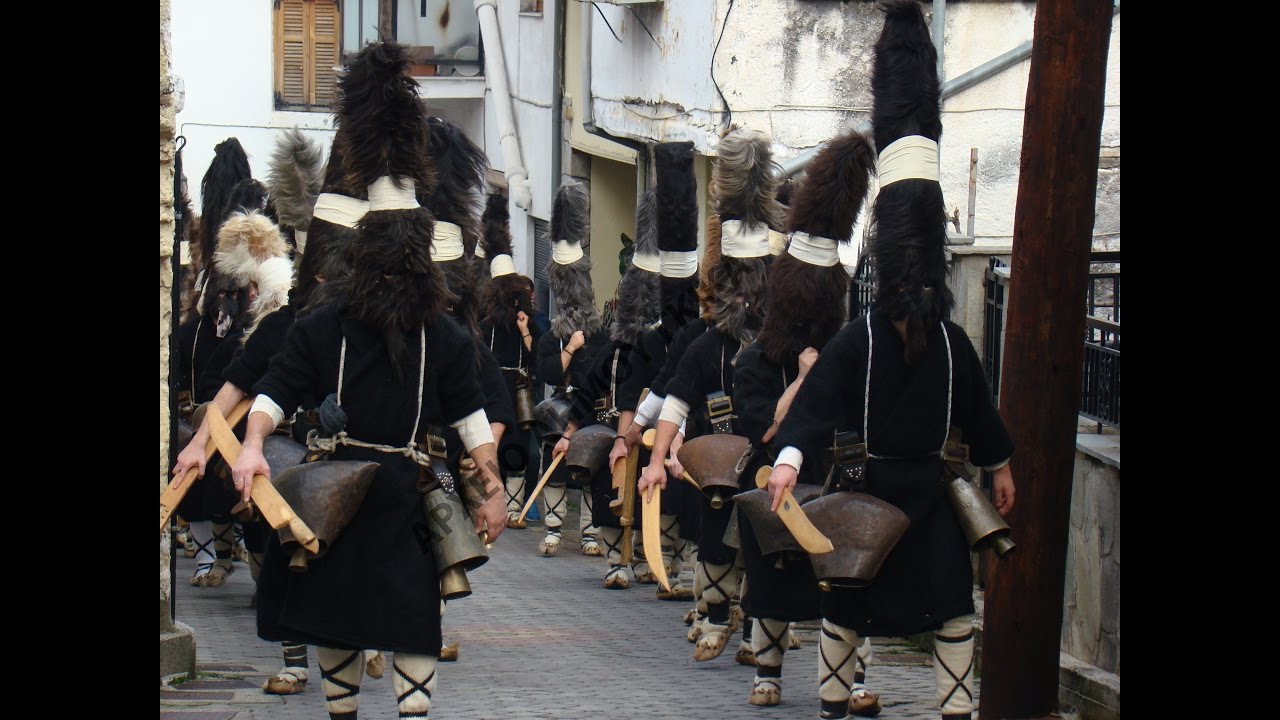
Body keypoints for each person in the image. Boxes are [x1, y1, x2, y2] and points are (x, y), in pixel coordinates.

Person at [230, 42, 507, 720]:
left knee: (416, 625)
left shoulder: (440, 334)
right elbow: (275, 390)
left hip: (408, 501)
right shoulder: (322, 327)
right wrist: (252, 442)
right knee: (337, 629)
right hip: (334, 496)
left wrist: (492, 487)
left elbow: (471, 418)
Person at [768, 4, 1015, 718]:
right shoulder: (863, 340)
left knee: (953, 606)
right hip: (868, 491)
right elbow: (813, 410)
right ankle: (835, 702)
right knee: (847, 599)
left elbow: (981, 413)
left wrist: (1001, 468)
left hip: (934, 500)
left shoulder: (949, 342)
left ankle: (957, 706)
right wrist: (788, 459)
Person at [731, 130, 880, 710]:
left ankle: (855, 679)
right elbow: (764, 432)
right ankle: (767, 668)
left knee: (849, 581)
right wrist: (801, 380)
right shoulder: (754, 363)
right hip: (777, 488)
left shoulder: (847, 356)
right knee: (773, 577)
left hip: (834, 483)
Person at [638, 128, 779, 663]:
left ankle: (755, 636)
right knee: (717, 544)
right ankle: (718, 618)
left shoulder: (781, 345)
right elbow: (674, 404)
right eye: (735, 287)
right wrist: (657, 457)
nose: (745, 298)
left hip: (767, 466)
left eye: (753, 288)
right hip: (718, 467)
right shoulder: (704, 345)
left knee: (764, 552)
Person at [552, 186, 661, 588]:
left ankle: (654, 558)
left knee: (657, 499)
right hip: (613, 431)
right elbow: (586, 392)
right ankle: (618, 561)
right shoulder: (613, 350)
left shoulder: (663, 353)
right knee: (609, 493)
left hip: (652, 436)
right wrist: (569, 434)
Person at [534, 182, 610, 557]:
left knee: (591, 474)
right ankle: (552, 529)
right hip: (560, 410)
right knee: (557, 471)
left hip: (591, 412)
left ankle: (591, 533)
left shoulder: (600, 334)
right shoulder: (551, 335)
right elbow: (548, 374)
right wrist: (569, 348)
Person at [478, 192, 542, 528]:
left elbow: (538, 359)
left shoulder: (526, 324)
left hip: (518, 388)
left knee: (518, 445)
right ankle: (493, 497)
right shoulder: (484, 325)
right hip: (493, 389)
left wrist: (525, 329)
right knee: (490, 442)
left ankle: (516, 505)